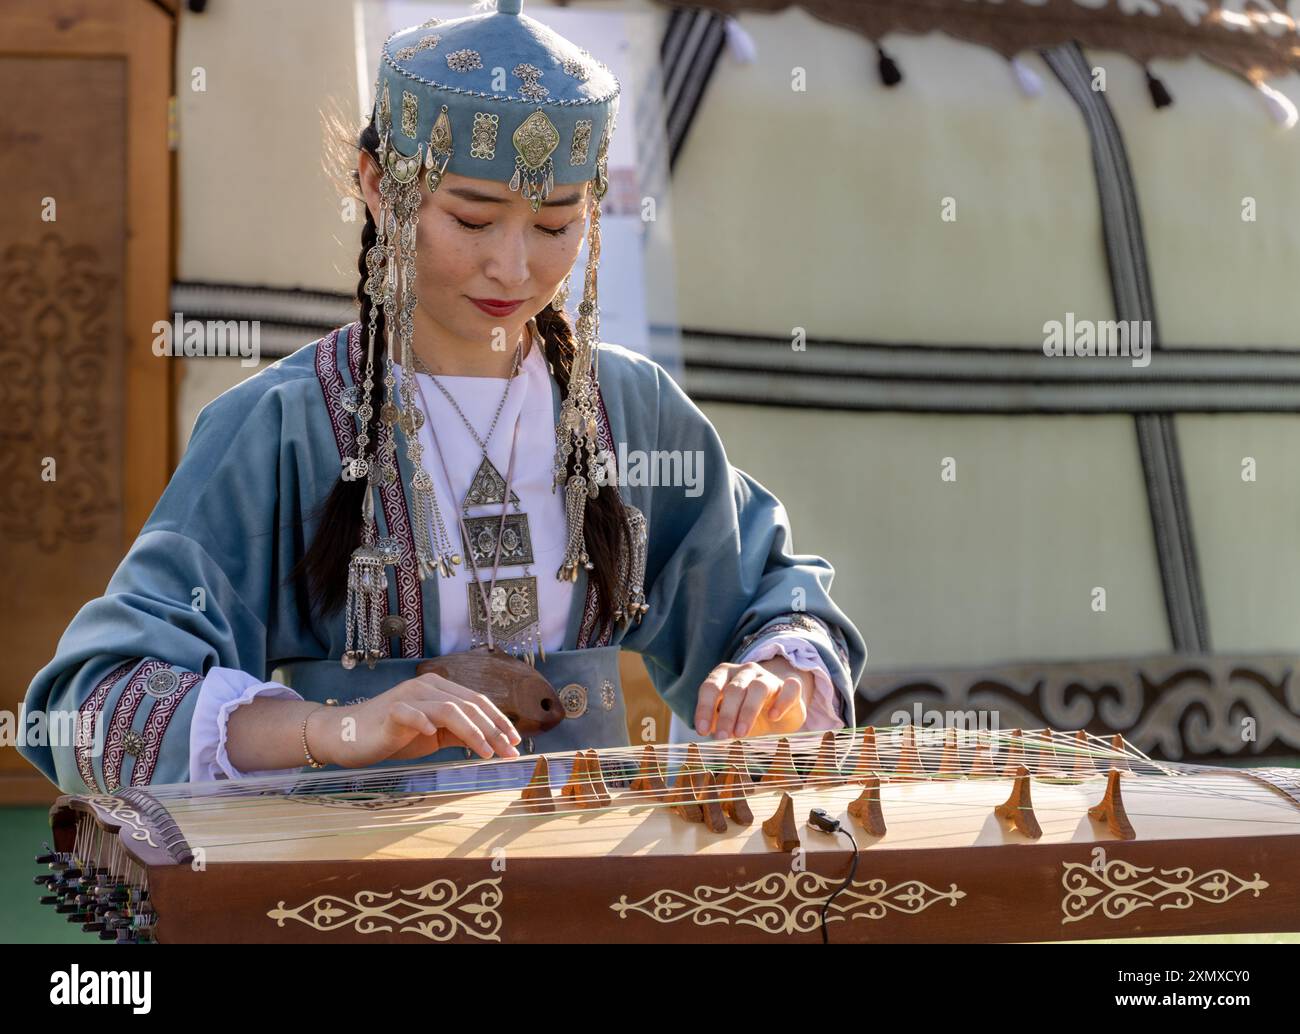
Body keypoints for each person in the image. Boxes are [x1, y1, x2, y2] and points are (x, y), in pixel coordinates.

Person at [18, 0, 866, 795]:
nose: (514, 266)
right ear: (380, 186)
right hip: (353, 892)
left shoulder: (628, 412)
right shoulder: (284, 427)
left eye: (556, 223)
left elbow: (773, 596)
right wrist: (339, 729)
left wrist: (777, 675)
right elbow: (92, 707)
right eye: (471, 219)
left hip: (586, 883)